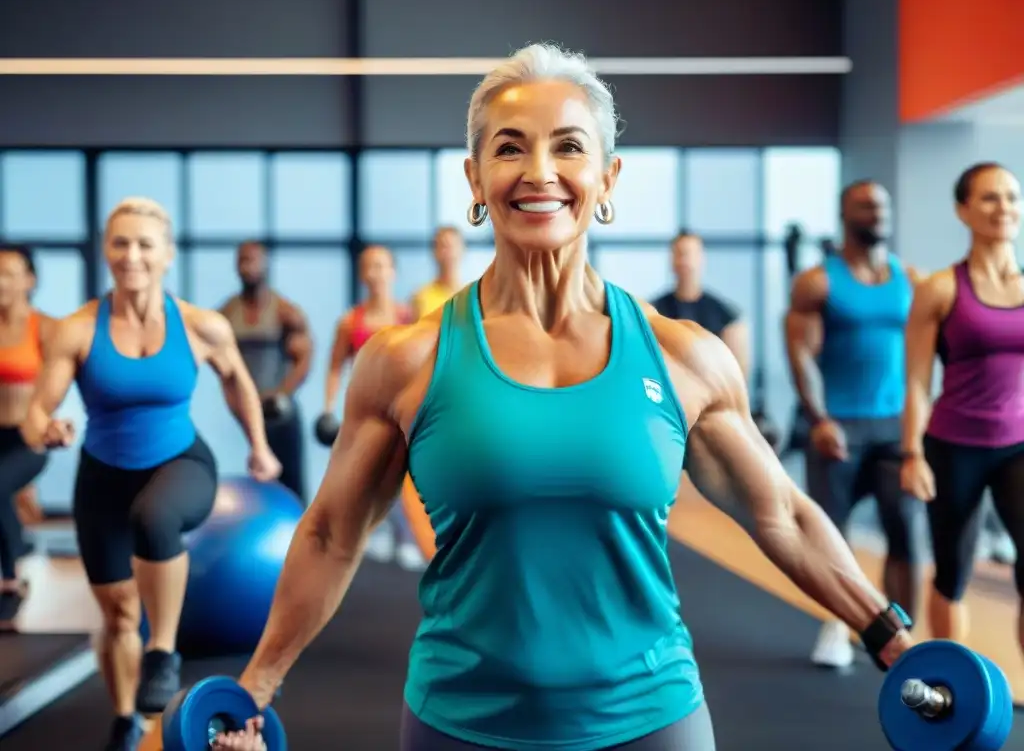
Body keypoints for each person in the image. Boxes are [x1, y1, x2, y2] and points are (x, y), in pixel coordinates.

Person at [185, 44, 914, 751]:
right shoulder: (407, 362)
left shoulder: (683, 355)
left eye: (568, 146)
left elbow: (780, 513)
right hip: (462, 720)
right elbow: (329, 535)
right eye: (510, 149)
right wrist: (255, 688)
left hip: (651, 715)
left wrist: (891, 637)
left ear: (608, 177)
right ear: (475, 179)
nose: (540, 172)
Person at [21, 197, 282, 751]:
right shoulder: (75, 330)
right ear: (105, 252)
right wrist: (47, 429)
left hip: (181, 463)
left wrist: (258, 446)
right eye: (120, 243)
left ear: (166, 254)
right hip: (102, 479)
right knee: (117, 616)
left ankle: (163, 651)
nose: (132, 255)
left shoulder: (200, 324)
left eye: (145, 244)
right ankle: (124, 717)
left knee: (155, 516)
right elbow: (35, 413)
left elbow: (237, 383)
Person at [785, 180, 924, 670]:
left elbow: (921, 359)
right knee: (833, 539)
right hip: (838, 425)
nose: (877, 212)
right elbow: (800, 354)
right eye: (866, 204)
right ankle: (836, 627)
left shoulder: (908, 278)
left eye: (883, 204)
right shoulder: (818, 281)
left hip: (892, 427)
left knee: (905, 529)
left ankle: (905, 638)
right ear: (846, 213)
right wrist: (818, 419)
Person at [901, 162, 1024, 650]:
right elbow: (915, 381)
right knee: (952, 571)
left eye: (1011, 197)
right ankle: (956, 684)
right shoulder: (941, 289)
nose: (1004, 208)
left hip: (1018, 444)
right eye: (990, 197)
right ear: (963, 210)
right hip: (954, 448)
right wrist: (912, 453)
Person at [321, 244, 423, 571]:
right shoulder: (351, 322)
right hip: (365, 409)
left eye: (382, 266)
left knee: (407, 474)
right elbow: (336, 366)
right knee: (368, 473)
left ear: (393, 273)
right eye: (369, 267)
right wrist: (327, 408)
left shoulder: (410, 317)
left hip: (404, 407)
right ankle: (377, 532)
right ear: (362, 274)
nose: (376, 273)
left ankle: (406, 537)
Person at [221, 241, 313, 502]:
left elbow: (304, 358)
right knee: (257, 481)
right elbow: (222, 367)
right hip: (247, 412)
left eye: (253, 260)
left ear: (265, 264)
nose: (248, 267)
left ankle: (297, 540)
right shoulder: (227, 313)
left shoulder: (286, 312)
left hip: (280, 413)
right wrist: (235, 403)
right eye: (243, 261)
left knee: (291, 483)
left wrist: (281, 394)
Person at [0, 245, 54, 597]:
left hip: (29, 439)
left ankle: (10, 577)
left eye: (8, 273)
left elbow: (61, 384)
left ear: (29, 280)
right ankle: (19, 543)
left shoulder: (45, 328)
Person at [651, 230, 749, 377]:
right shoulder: (652, 312)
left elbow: (738, 378)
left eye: (689, 254)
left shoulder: (727, 318)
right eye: (678, 253)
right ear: (671, 259)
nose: (684, 260)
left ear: (701, 258)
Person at [410, 226, 465, 319]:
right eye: (443, 246)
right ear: (434, 252)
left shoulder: (472, 297)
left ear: (462, 250)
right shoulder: (420, 297)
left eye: (452, 246)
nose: (448, 253)